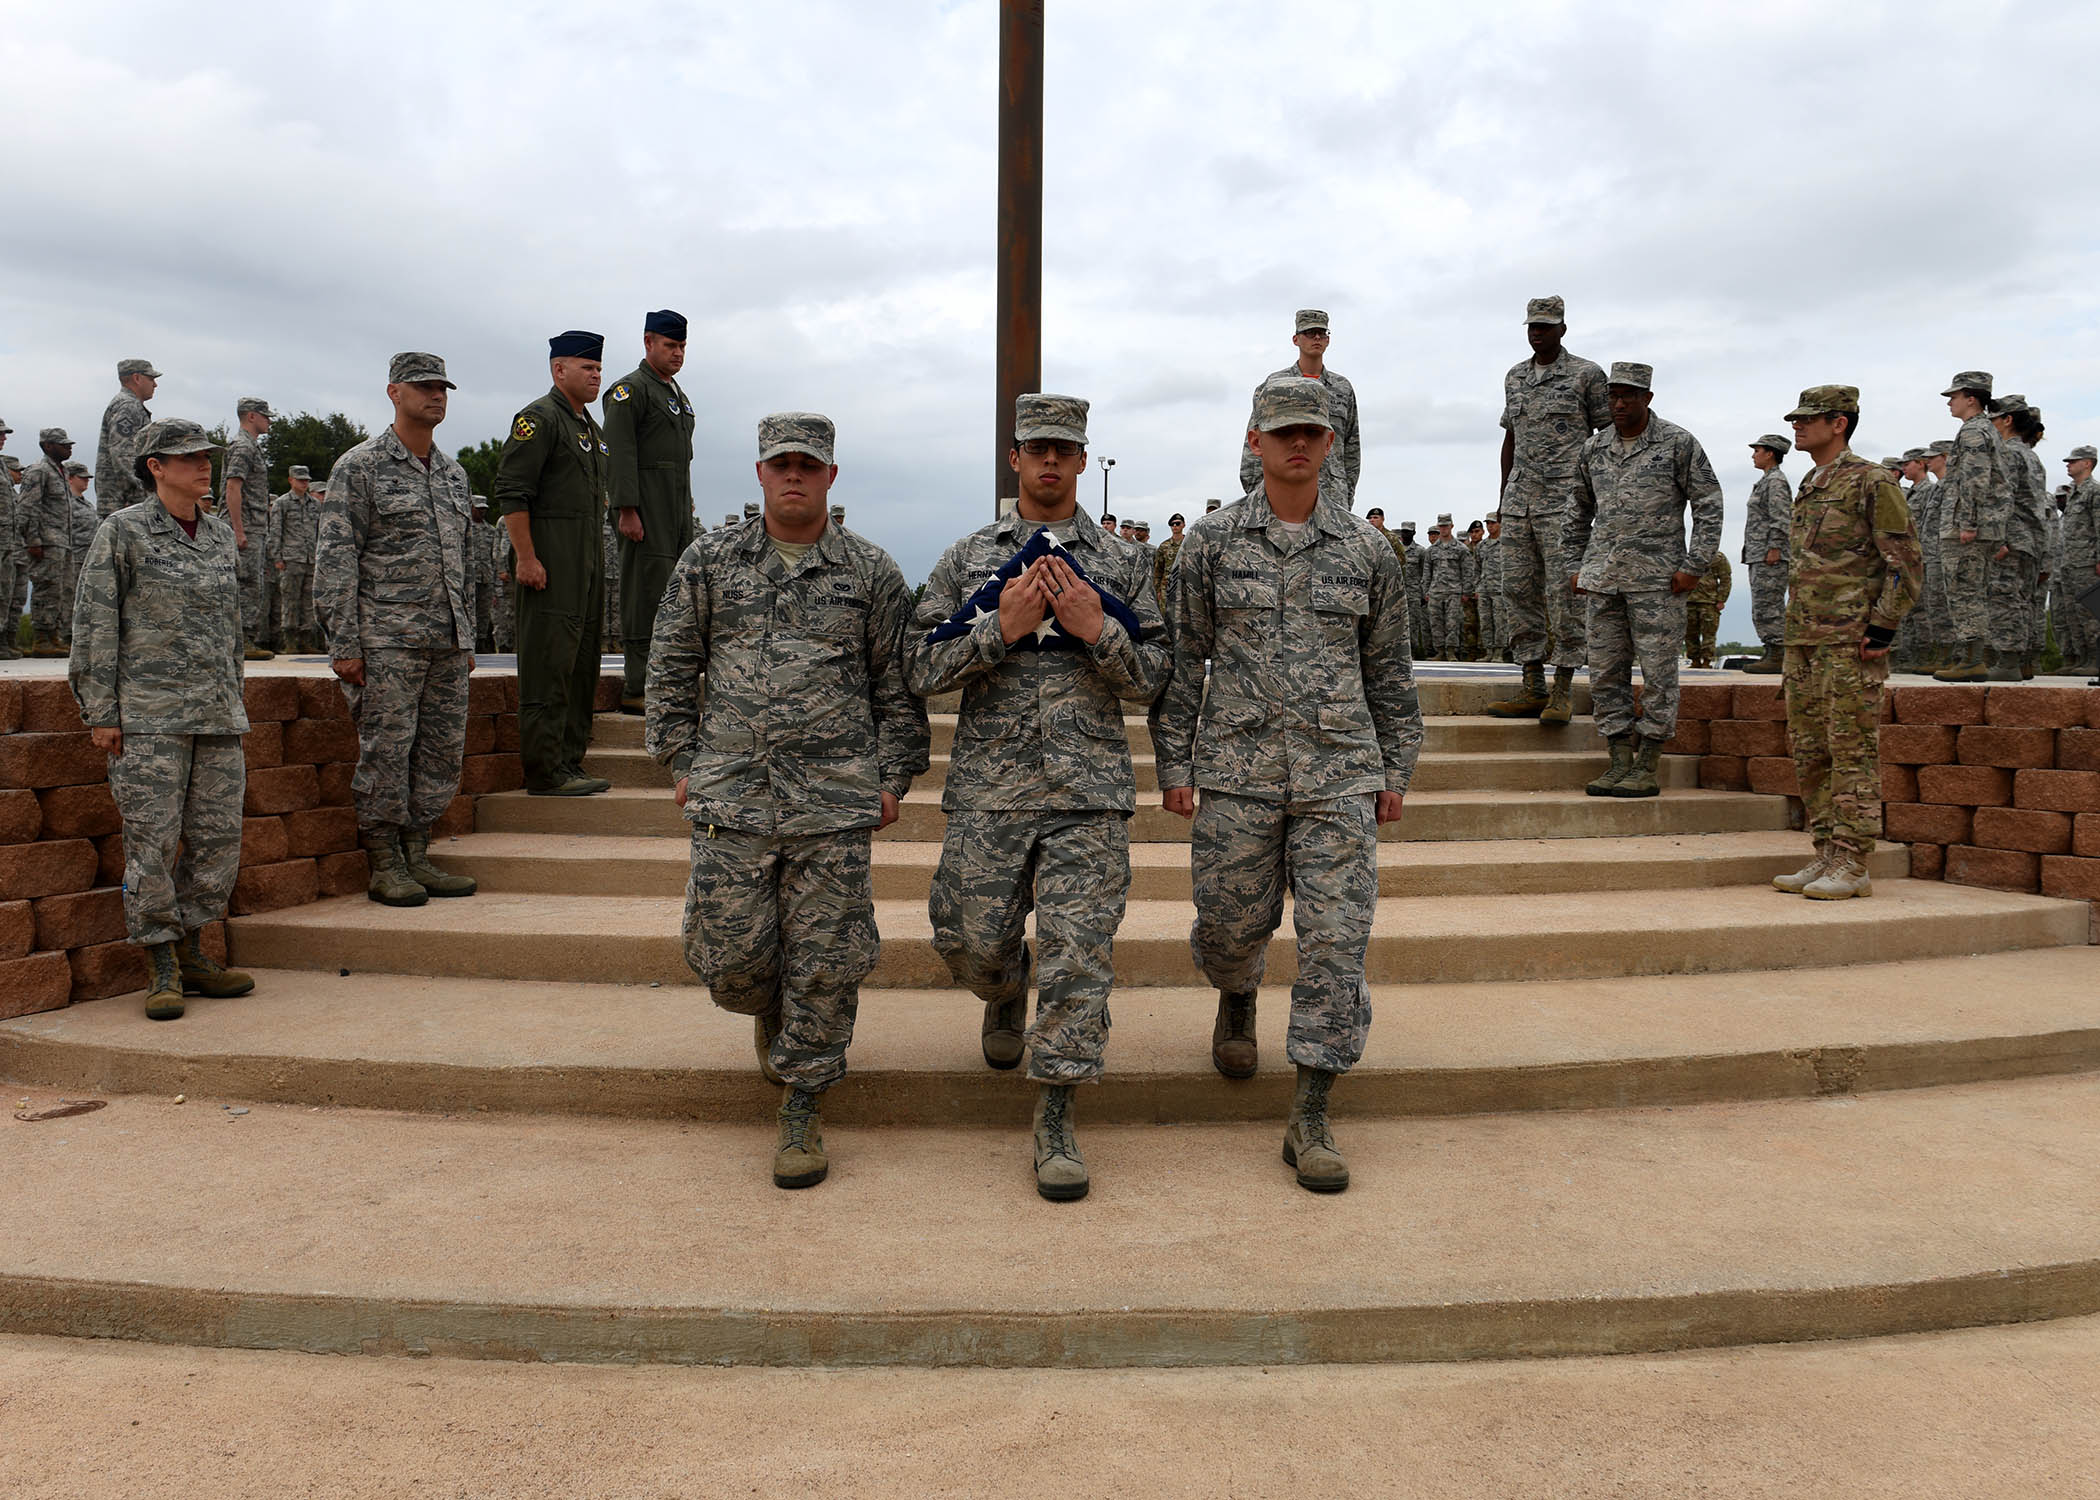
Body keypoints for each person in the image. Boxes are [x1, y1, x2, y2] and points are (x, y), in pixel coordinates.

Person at [646, 412, 928, 1191]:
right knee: (733, 961)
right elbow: (671, 664)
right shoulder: (710, 562)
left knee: (827, 961)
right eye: (782, 464)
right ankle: (767, 1008)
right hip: (732, 797)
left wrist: (892, 777)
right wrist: (679, 759)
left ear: (832, 476)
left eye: (810, 463)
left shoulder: (869, 572)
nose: (795, 475)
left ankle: (803, 1101)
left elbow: (896, 688)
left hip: (834, 803)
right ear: (761, 473)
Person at [1153, 375, 1421, 1193]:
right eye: (1282, 432)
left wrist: (1394, 767)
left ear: (1331, 443)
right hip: (1235, 774)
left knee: (1337, 943)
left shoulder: (1370, 551)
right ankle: (1236, 993)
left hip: (1339, 772)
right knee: (1231, 927)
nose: (1297, 444)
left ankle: (1310, 1111)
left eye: (1311, 431)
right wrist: (1175, 763)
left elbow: (1390, 673)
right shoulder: (1211, 543)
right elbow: (1180, 664)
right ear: (1254, 443)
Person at [908, 393, 1168, 1202]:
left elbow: (1156, 676)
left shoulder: (1123, 565)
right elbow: (918, 668)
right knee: (970, 942)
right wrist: (999, 627)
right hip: (990, 789)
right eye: (1036, 449)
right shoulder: (966, 559)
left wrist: (1099, 631)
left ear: (1084, 460)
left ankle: (1056, 1112)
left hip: (1089, 793)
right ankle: (1002, 990)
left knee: (1078, 955)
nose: (1050, 461)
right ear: (1014, 459)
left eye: (1065, 449)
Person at [68, 417, 255, 1020]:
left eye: (207, 455)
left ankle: (196, 950)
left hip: (217, 715)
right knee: (152, 841)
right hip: (149, 717)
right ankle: (161, 962)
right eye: (189, 457)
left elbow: (232, 629)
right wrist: (101, 710)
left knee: (217, 839)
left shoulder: (221, 535)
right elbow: (95, 625)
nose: (204, 465)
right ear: (155, 466)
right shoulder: (122, 532)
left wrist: (236, 696)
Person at [316, 353, 481, 907]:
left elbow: (463, 560)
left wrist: (468, 637)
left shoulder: (454, 474)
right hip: (387, 638)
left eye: (442, 388)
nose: (436, 396)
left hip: (446, 642)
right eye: (424, 387)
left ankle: (418, 852)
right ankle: (385, 861)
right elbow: (337, 559)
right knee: (387, 751)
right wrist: (344, 643)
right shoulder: (359, 467)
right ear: (394, 392)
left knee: (439, 751)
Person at [1770, 386, 1921, 899]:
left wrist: (1882, 628)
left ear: (1840, 422)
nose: (1797, 427)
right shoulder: (1812, 481)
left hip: (1850, 640)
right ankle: (1826, 853)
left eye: (1808, 419)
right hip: (1806, 639)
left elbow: (1905, 562)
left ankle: (1854, 862)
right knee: (1810, 751)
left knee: (1850, 750)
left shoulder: (1872, 480)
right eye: (1795, 420)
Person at [1563, 362, 1723, 798]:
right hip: (1603, 579)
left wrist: (1695, 565)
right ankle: (1618, 759)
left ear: (1647, 398)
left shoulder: (1677, 443)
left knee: (1658, 673)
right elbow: (1576, 510)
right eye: (1613, 395)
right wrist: (1573, 566)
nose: (1618, 403)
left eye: (1628, 395)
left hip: (1658, 581)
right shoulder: (1594, 449)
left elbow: (1708, 502)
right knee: (1605, 674)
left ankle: (1648, 761)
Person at [495, 330, 614, 797]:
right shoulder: (538, 420)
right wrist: (526, 556)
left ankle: (569, 762)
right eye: (587, 368)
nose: (596, 375)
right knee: (548, 665)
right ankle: (544, 771)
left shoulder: (591, 429)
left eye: (599, 369)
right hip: (549, 563)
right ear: (558, 369)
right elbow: (513, 492)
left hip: (585, 567)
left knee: (581, 665)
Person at [1487, 296, 1611, 722]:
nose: (1537, 332)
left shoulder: (1586, 375)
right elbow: (1511, 438)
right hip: (1520, 501)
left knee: (1566, 595)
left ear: (1562, 328)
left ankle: (1563, 688)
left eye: (1545, 326)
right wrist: (1504, 497)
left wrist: (1600, 496)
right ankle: (1532, 683)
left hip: (1566, 502)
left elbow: (1606, 438)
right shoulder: (1515, 376)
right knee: (1516, 590)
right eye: (1532, 326)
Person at [601, 310, 698, 714]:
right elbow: (619, 452)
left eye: (682, 347)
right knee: (645, 593)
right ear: (648, 343)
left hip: (676, 510)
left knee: (679, 594)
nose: (677, 354)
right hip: (644, 510)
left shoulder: (676, 393)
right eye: (670, 346)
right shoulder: (630, 391)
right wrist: (626, 509)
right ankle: (637, 685)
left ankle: (671, 681)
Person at [1236, 310, 1360, 508]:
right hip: (1281, 494)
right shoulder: (1275, 385)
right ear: (1296, 339)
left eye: (1322, 333)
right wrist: (1258, 493)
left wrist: (1345, 493)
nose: (1317, 338)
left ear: (1328, 340)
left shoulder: (1342, 388)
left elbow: (1351, 448)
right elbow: (1255, 441)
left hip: (1332, 496)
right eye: (1310, 333)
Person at [1932, 371, 2005, 683]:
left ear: (1971, 399)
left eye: (1955, 396)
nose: (1950, 402)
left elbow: (1975, 480)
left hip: (1967, 525)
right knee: (1972, 590)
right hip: (1980, 524)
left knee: (1963, 592)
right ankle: (1971, 656)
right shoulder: (1985, 430)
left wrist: (1968, 523)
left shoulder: (1973, 432)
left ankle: (1971, 660)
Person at [1987, 396, 2049, 680]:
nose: (1991, 425)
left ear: (2008, 420)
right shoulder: (2031, 455)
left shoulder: (2009, 453)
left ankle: (2008, 662)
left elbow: (2004, 499)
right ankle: (2020, 662)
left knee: (2005, 598)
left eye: (1994, 419)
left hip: (2012, 538)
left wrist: (2001, 540)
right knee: (2022, 600)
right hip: (2030, 540)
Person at [218, 397, 276, 660]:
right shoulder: (243, 446)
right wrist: (238, 530)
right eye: (265, 416)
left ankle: (244, 638)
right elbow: (233, 487)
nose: (269, 421)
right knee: (246, 582)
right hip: (245, 525)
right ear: (251, 416)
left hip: (253, 524)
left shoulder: (250, 446)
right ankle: (241, 639)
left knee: (252, 582)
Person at [1738, 434, 1794, 673]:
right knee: (1762, 605)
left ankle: (1778, 653)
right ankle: (1772, 651)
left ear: (1770, 453)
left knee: (1769, 604)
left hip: (1769, 554)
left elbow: (1781, 518)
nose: (1753, 455)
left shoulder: (1775, 481)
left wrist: (1775, 547)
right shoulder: (1766, 481)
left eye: (1757, 450)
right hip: (1759, 553)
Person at [18, 427, 76, 655]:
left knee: (62, 591)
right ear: (48, 446)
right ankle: (42, 639)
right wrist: (32, 539)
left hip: (63, 541)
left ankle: (54, 637)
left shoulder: (60, 473)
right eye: (63, 444)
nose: (69, 447)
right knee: (46, 588)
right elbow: (27, 507)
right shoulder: (39, 471)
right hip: (46, 541)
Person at [94, 359, 158, 519]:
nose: (155, 384)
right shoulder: (128, 406)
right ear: (137, 378)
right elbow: (123, 455)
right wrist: (142, 492)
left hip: (122, 502)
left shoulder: (128, 405)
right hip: (125, 503)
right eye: (151, 379)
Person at [269, 465, 320, 652]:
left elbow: (320, 531)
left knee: (309, 602)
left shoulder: (315, 504)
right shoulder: (282, 503)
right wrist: (277, 557)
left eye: (306, 480)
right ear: (291, 480)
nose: (304, 483)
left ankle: (307, 640)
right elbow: (275, 531)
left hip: (311, 559)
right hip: (291, 559)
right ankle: (289, 642)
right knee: (290, 601)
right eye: (300, 480)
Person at [2060, 444, 2099, 673]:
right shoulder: (2074, 492)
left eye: (2073, 461)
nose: (2068, 464)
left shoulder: (2094, 491)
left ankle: (2096, 660)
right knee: (2073, 613)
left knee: (2090, 612)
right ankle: (2082, 658)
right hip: (2070, 562)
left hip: (2086, 562)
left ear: (2087, 463)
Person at [1423, 514, 1475, 659]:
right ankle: (1440, 651)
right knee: (1436, 623)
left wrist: (1467, 591)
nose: (1443, 528)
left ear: (1452, 526)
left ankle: (1451, 651)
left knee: (1453, 623)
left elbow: (1467, 572)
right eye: (1441, 526)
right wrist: (1426, 591)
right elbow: (1427, 573)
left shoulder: (1461, 549)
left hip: (1454, 591)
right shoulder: (1431, 550)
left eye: (1446, 526)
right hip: (1435, 591)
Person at [60, 460, 97, 628]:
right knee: (69, 596)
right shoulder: (65, 502)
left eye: (88, 477)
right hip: (73, 556)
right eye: (82, 477)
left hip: (89, 557)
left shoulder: (87, 504)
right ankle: (66, 632)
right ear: (70, 478)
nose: (87, 480)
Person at [1684, 551, 1732, 668]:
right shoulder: (1685, 555)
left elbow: (1726, 578)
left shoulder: (1718, 557)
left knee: (1709, 634)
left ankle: (1706, 661)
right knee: (1689, 634)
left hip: (1709, 602)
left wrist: (1721, 599)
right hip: (1687, 600)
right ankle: (1694, 661)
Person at [1477, 511, 1508, 661]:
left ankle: (1499, 653)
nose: (1489, 526)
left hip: (1500, 589)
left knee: (1500, 621)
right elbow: (1476, 568)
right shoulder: (1481, 546)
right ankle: (1488, 651)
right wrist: (1477, 586)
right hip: (1484, 589)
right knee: (1485, 621)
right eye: (1487, 523)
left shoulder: (1506, 543)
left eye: (1492, 523)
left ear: (1500, 523)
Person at [0, 416, 18, 660]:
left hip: (6, 539)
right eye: (1, 433)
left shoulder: (2, 465)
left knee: (4, 589)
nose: (4, 437)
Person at [470, 498, 498, 652]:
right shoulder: (464, 528)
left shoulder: (491, 531)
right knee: (469, 614)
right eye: (478, 508)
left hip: (486, 580)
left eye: (484, 509)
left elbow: (494, 558)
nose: (482, 511)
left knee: (483, 616)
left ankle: (481, 645)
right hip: (469, 580)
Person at [1153, 511, 1185, 598]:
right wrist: (1157, 590)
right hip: (1166, 587)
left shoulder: (1189, 544)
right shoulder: (1164, 546)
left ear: (1183, 525)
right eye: (1172, 524)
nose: (1174, 526)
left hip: (1185, 586)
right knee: (1165, 611)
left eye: (1177, 523)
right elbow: (1158, 570)